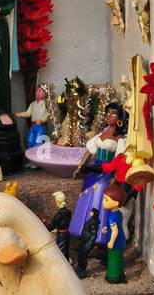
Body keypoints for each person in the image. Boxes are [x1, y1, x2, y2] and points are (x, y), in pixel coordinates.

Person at [69, 102, 128, 245]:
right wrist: (81, 166)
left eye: (113, 114)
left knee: (101, 200)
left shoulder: (120, 138)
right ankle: (82, 232)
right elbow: (90, 151)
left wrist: (115, 176)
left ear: (120, 118)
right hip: (94, 171)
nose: (109, 116)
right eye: (108, 113)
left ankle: (99, 239)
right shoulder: (103, 133)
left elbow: (120, 160)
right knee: (87, 197)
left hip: (106, 173)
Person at [102, 183, 128, 284]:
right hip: (121, 239)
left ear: (116, 203)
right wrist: (107, 229)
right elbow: (116, 226)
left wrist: (111, 242)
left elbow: (115, 231)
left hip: (115, 241)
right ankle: (121, 274)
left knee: (113, 259)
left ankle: (113, 276)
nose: (103, 202)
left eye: (106, 199)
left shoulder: (111, 217)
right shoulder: (118, 213)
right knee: (119, 258)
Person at [46, 190, 72, 260]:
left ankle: (63, 267)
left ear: (57, 201)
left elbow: (52, 226)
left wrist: (44, 229)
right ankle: (67, 263)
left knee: (61, 253)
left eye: (55, 201)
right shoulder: (68, 212)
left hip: (61, 235)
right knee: (65, 251)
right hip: (66, 234)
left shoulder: (59, 215)